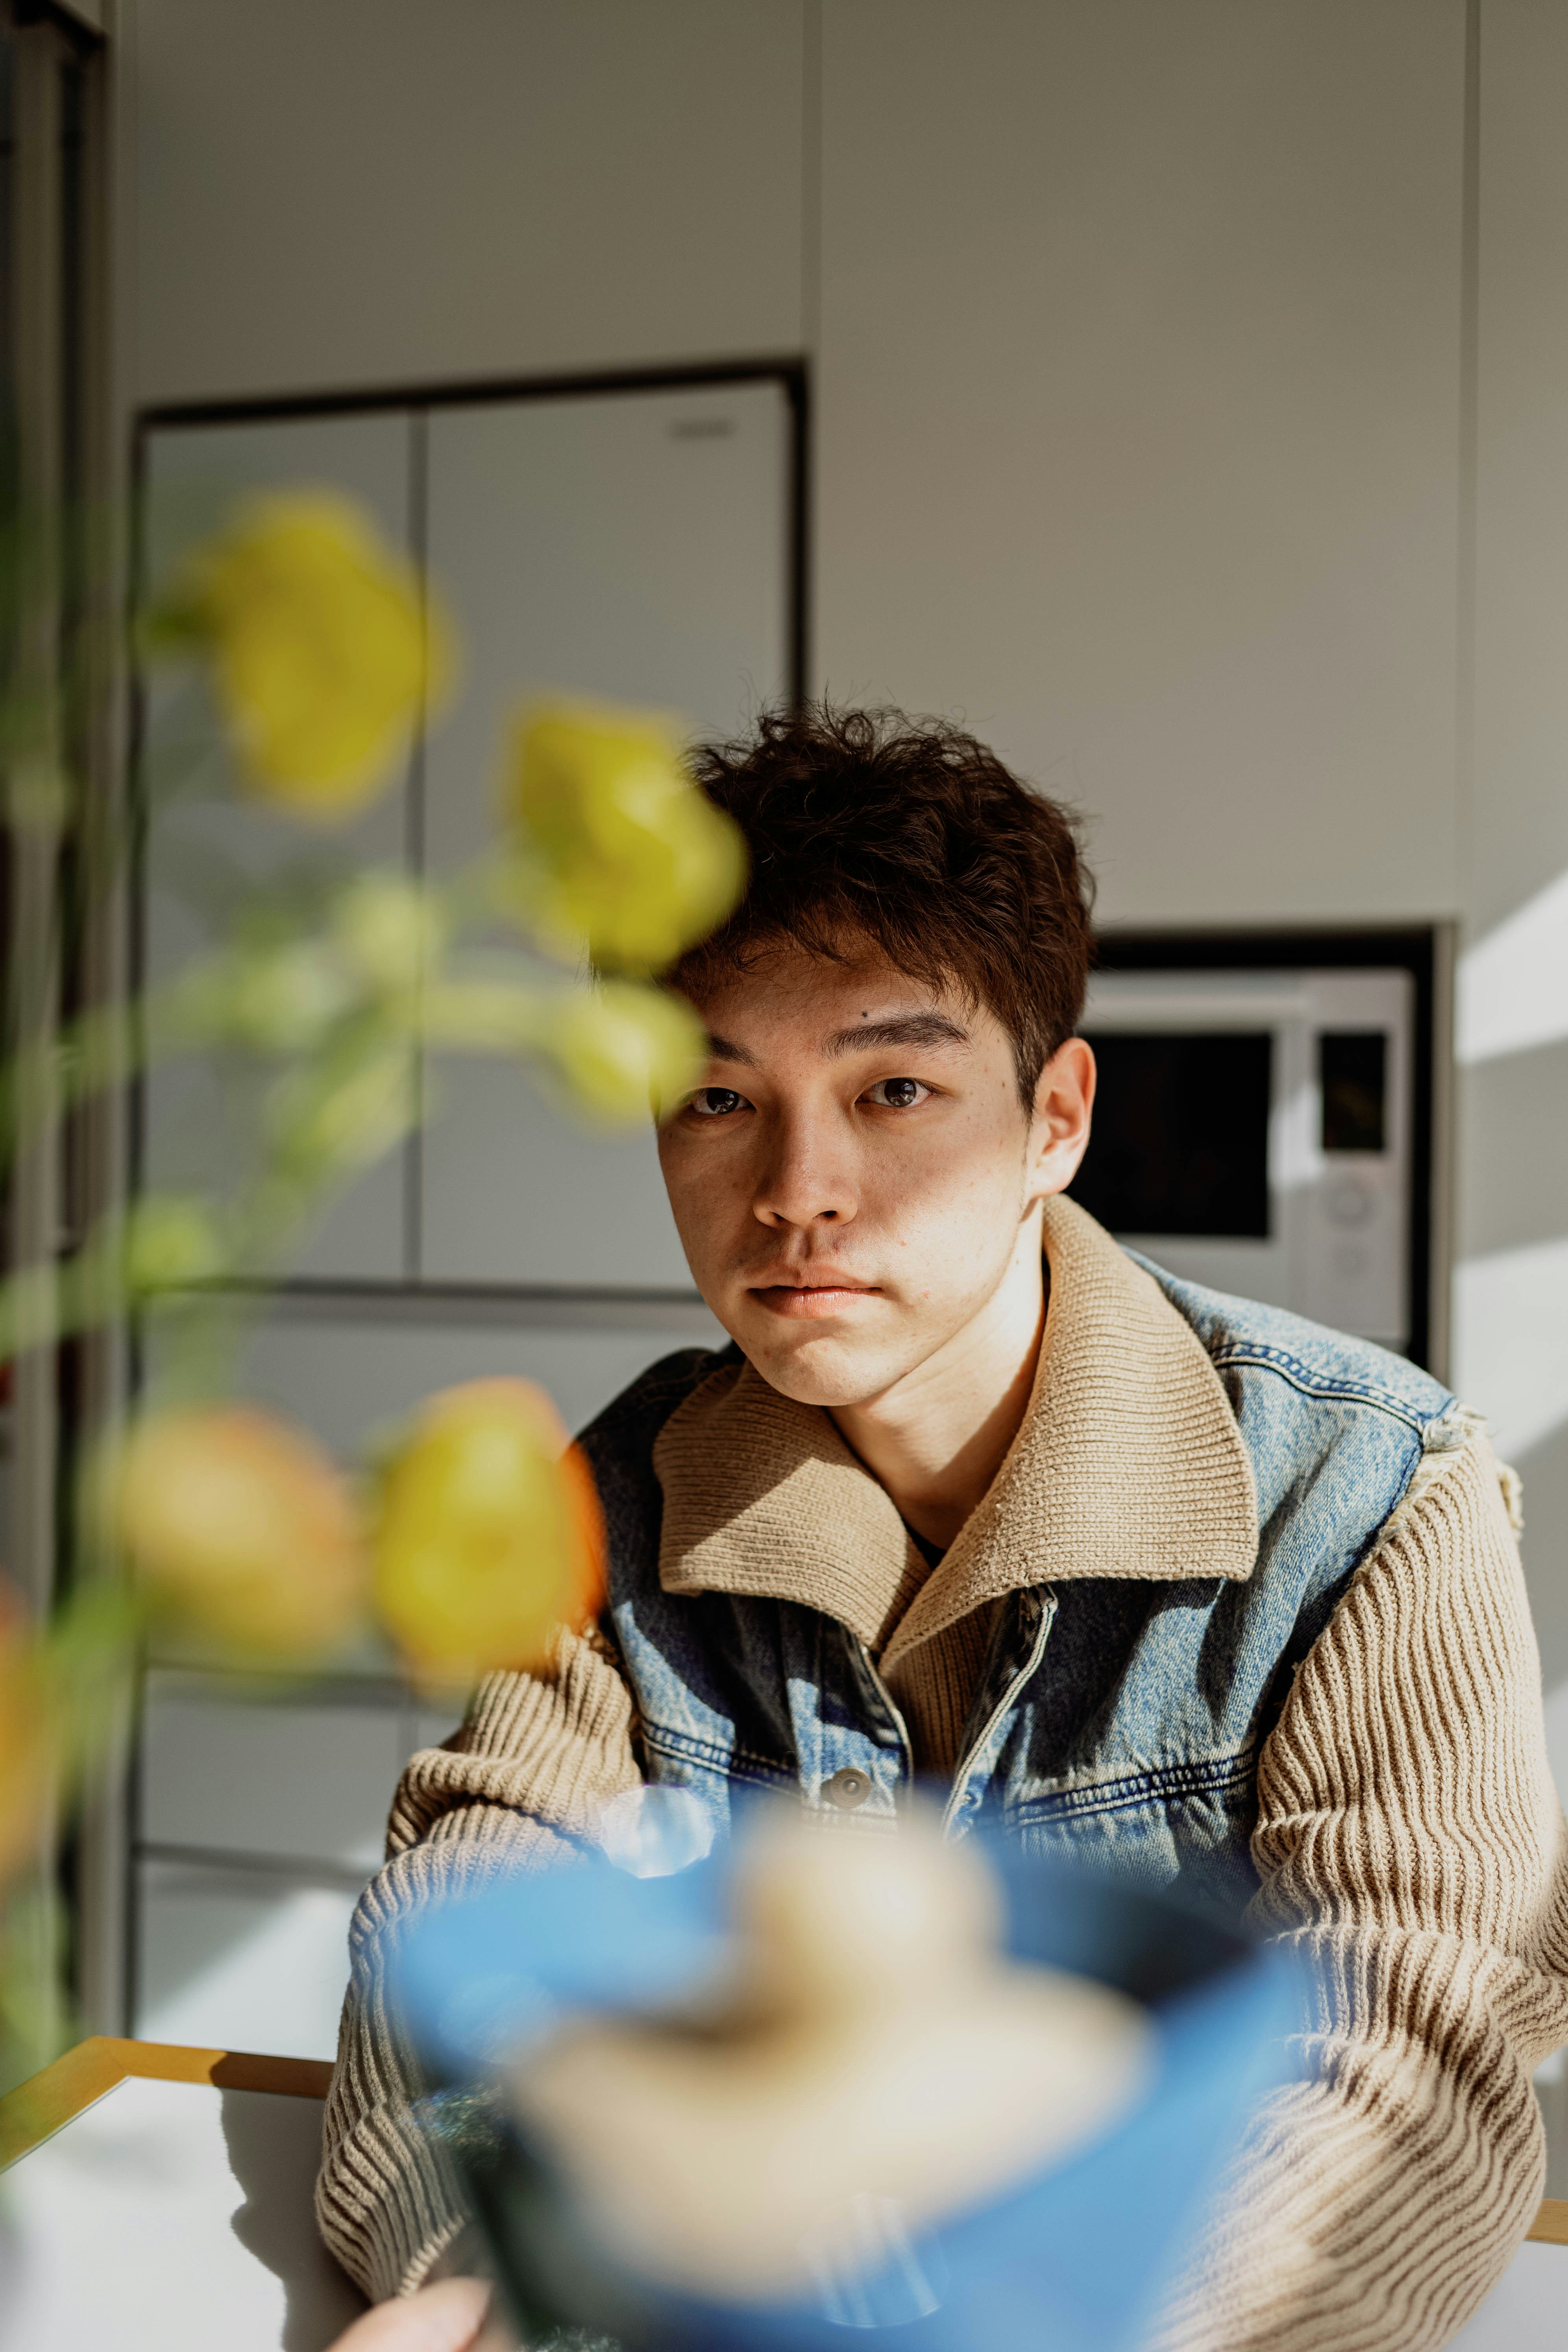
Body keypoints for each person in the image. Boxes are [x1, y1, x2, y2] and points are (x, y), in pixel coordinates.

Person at [316, 705, 1568, 2352]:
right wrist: (532, 2299)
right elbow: (460, 1983)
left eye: (895, 1088)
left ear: (1057, 1118)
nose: (798, 1189)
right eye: (715, 1099)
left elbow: (1410, 2053)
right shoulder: (611, 1501)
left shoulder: (1374, 1491)